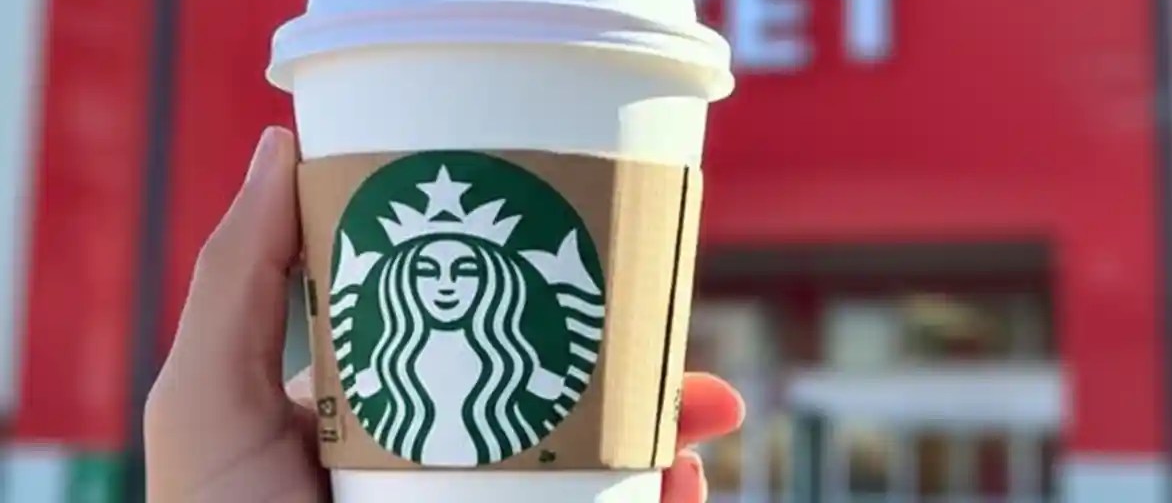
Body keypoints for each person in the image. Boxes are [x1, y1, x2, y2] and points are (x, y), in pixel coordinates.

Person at [144, 127, 745, 502]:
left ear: (497, 281)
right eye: (428, 272)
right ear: (400, 280)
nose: (446, 286)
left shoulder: (527, 378)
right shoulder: (384, 379)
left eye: (466, 271)